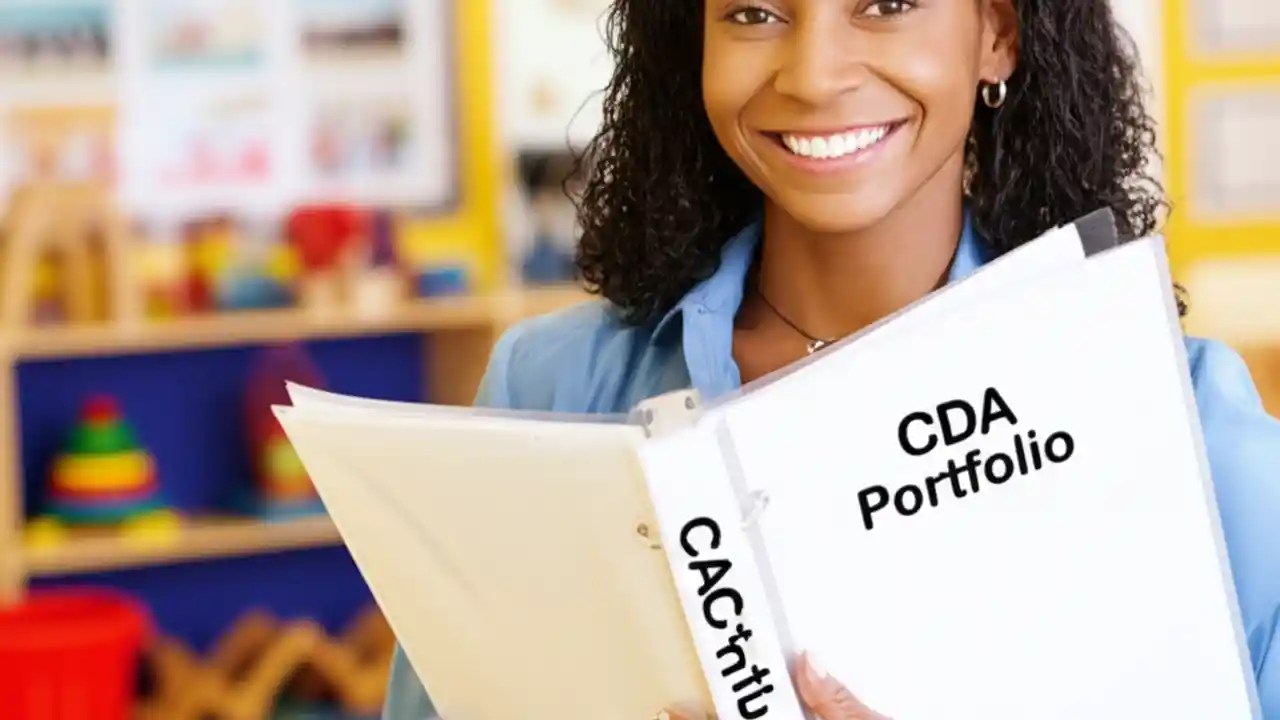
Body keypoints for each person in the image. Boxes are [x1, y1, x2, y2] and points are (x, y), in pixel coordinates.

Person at [385, 0, 1280, 717]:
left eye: (886, 4)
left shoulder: (1193, 427)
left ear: (997, 33)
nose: (813, 75)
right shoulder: (549, 389)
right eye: (751, 14)